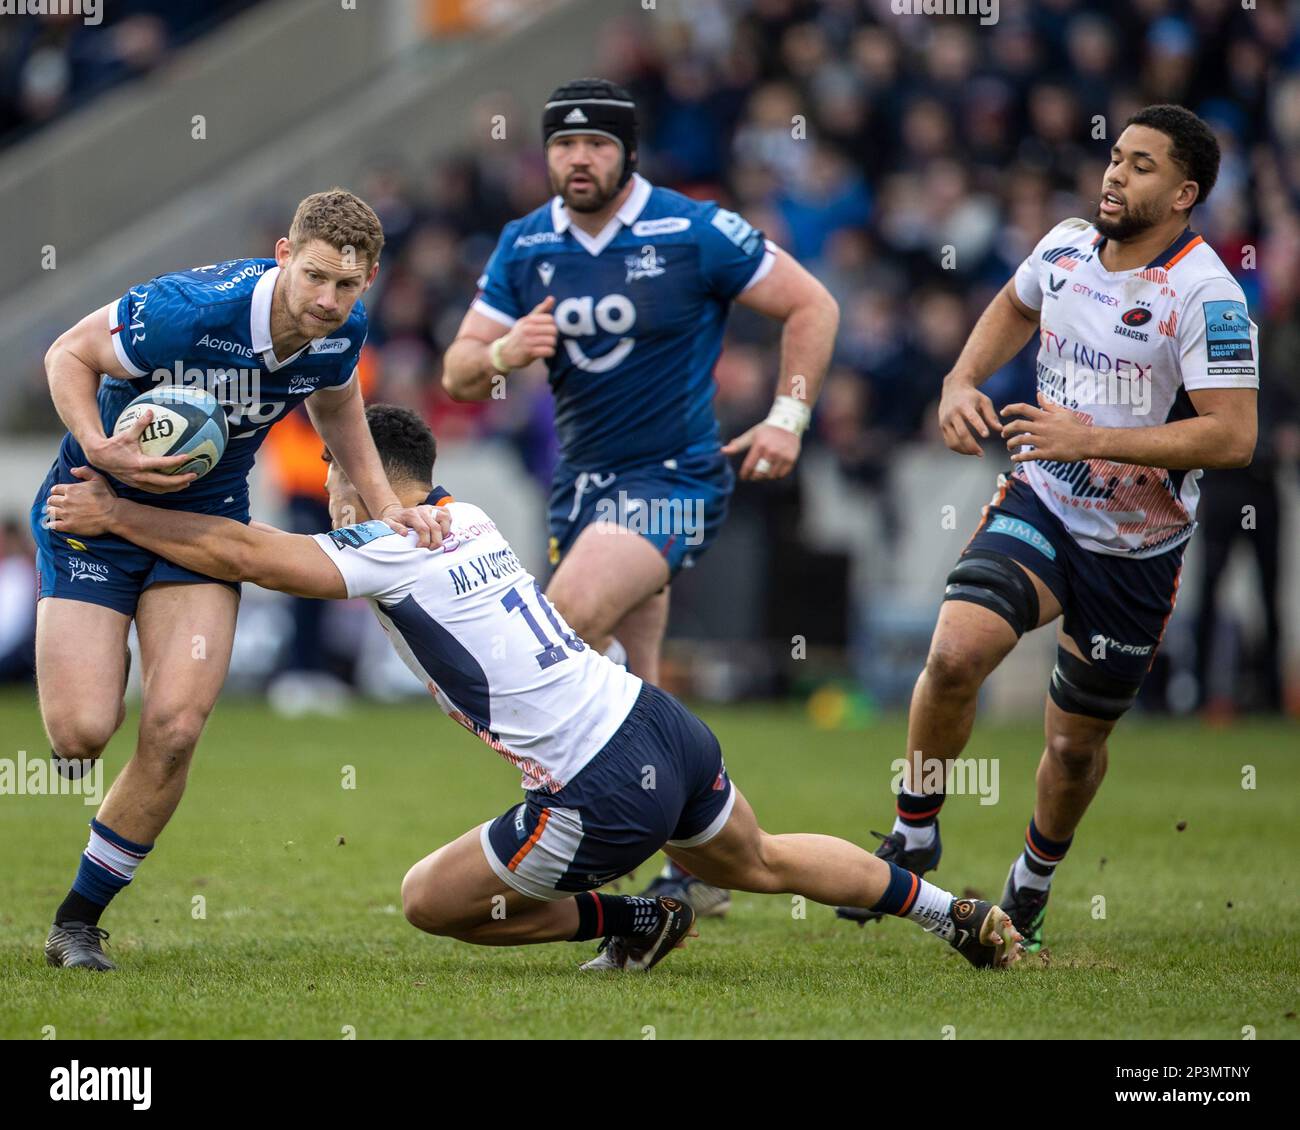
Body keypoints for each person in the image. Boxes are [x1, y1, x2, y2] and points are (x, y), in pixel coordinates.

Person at [45, 404, 1024, 973]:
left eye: (341, 472)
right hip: (659, 724)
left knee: (429, 901)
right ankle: (953, 913)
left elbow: (239, 551)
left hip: (593, 788)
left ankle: (634, 918)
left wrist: (115, 510)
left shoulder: (390, 541)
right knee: (759, 859)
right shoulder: (459, 513)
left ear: (360, 481)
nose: (333, 491)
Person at [837, 105, 1258, 951]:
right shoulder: (1063, 247)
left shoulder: (1209, 294)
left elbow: (1233, 435)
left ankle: (1031, 882)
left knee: (1071, 748)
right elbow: (1012, 306)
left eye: (1141, 165)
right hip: (1042, 502)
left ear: (1185, 193)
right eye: (1114, 157)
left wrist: (1089, 437)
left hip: (1137, 548)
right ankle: (915, 829)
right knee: (954, 654)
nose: (1114, 174)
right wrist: (959, 381)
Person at [441, 78, 839, 916]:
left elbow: (812, 302)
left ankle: (571, 832)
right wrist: (507, 350)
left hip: (672, 480)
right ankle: (698, 864)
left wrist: (788, 418)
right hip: (578, 492)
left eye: (595, 144)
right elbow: (457, 371)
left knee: (560, 627)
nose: (577, 159)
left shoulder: (693, 229)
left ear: (628, 152)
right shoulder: (525, 244)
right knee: (638, 686)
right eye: (561, 144)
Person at [32, 188, 443, 971]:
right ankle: (92, 657)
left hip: (202, 529)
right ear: (283, 256)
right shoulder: (188, 310)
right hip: (95, 505)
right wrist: (98, 443)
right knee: (81, 732)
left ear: (371, 279)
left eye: (348, 286)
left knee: (176, 726)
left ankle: (78, 922)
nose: (328, 301)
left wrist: (386, 504)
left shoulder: (342, 329)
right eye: (315, 277)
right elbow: (66, 354)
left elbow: (338, 402)